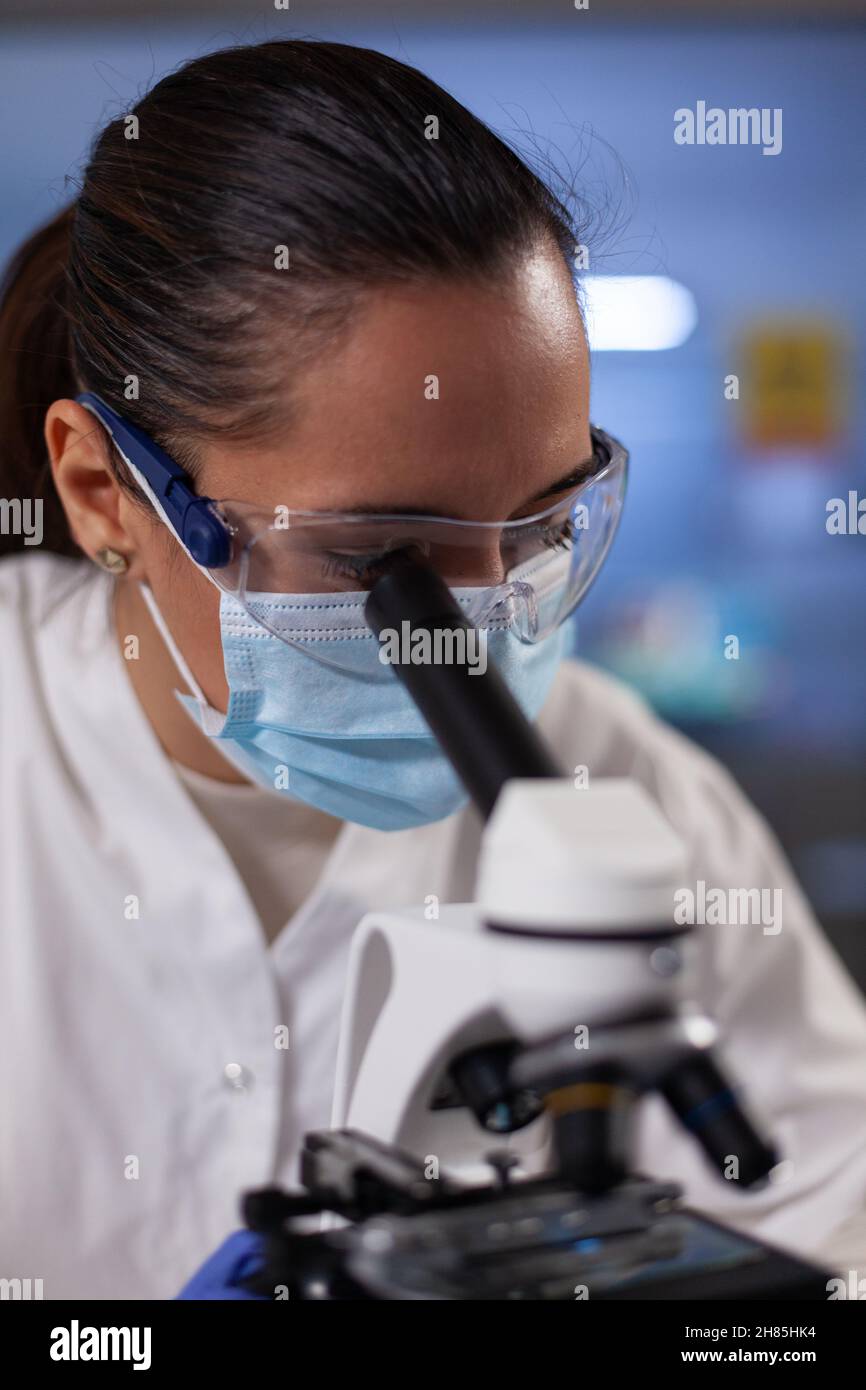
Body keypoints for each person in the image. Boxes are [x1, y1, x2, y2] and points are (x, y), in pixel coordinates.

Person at [0, 38, 864, 1302]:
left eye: (545, 525)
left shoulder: (624, 787)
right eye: (381, 555)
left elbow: (832, 1209)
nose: (486, 623)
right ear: (101, 493)